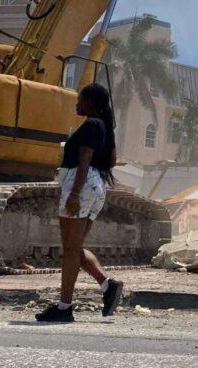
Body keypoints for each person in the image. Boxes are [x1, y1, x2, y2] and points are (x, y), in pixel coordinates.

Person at [35, 82, 123, 322]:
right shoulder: (105, 126)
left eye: (80, 99)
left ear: (91, 102)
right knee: (75, 246)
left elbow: (84, 160)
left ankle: (64, 307)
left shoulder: (91, 125)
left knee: (71, 249)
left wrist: (74, 193)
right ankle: (107, 286)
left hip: (81, 184)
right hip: (96, 185)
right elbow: (112, 160)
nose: (77, 103)